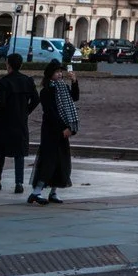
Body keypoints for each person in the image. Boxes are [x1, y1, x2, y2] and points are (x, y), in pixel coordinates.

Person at [0, 53, 39, 193]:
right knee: (19, 153)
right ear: (21, 64)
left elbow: (1, 104)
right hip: (20, 120)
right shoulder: (28, 81)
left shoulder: (3, 82)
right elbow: (36, 99)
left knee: (0, 152)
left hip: (5, 120)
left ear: (8, 64)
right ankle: (19, 182)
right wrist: (25, 111)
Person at [28, 64, 79, 204]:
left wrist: (74, 81)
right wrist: (63, 129)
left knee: (61, 161)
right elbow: (51, 112)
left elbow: (74, 97)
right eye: (56, 72)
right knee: (48, 161)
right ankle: (36, 192)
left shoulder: (63, 88)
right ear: (50, 74)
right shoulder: (46, 91)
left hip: (63, 130)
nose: (60, 74)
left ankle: (53, 192)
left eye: (60, 72)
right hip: (52, 130)